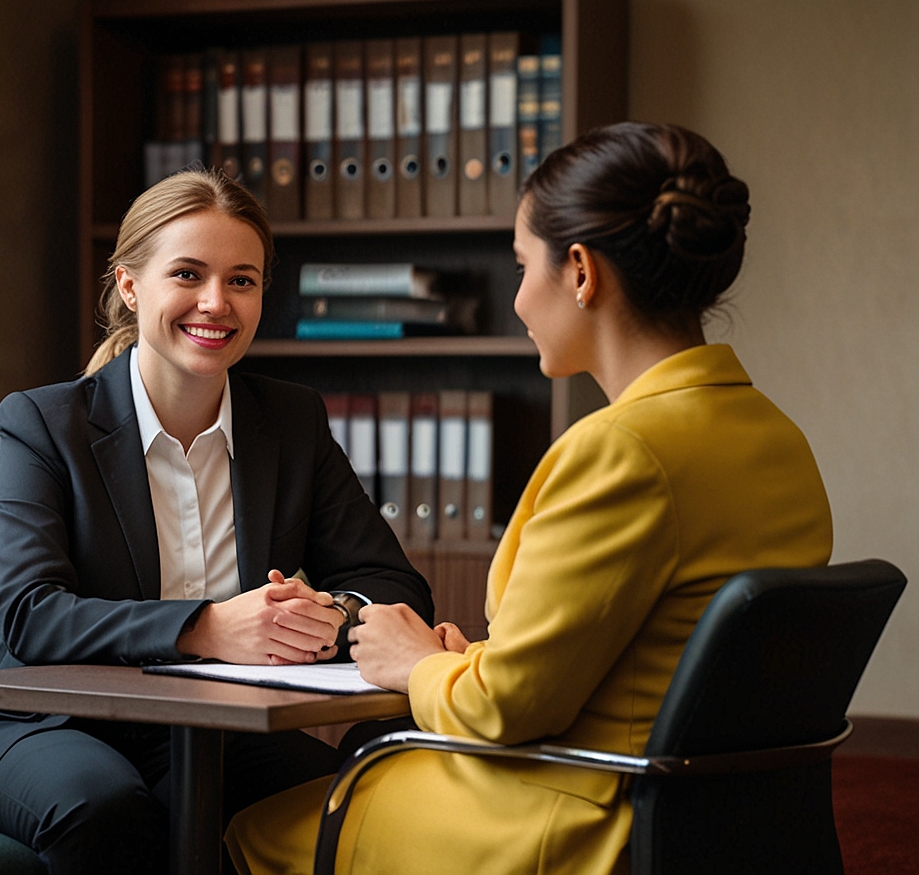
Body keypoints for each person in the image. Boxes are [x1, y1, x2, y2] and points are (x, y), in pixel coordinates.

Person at [224, 122, 834, 874]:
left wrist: (415, 663)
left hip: (582, 811)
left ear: (580, 271)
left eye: (521, 267)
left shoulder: (622, 451)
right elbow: (649, 652)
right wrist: (472, 661)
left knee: (247, 832)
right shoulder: (776, 437)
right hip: (722, 815)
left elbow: (506, 709)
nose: (516, 300)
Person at [0, 168, 434, 874]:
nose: (215, 303)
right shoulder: (44, 422)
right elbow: (31, 615)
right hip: (38, 721)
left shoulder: (290, 420)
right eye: (187, 274)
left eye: (242, 281)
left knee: (346, 801)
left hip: (208, 722)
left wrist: (333, 615)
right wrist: (209, 627)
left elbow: (392, 586)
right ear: (130, 285)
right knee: (104, 808)